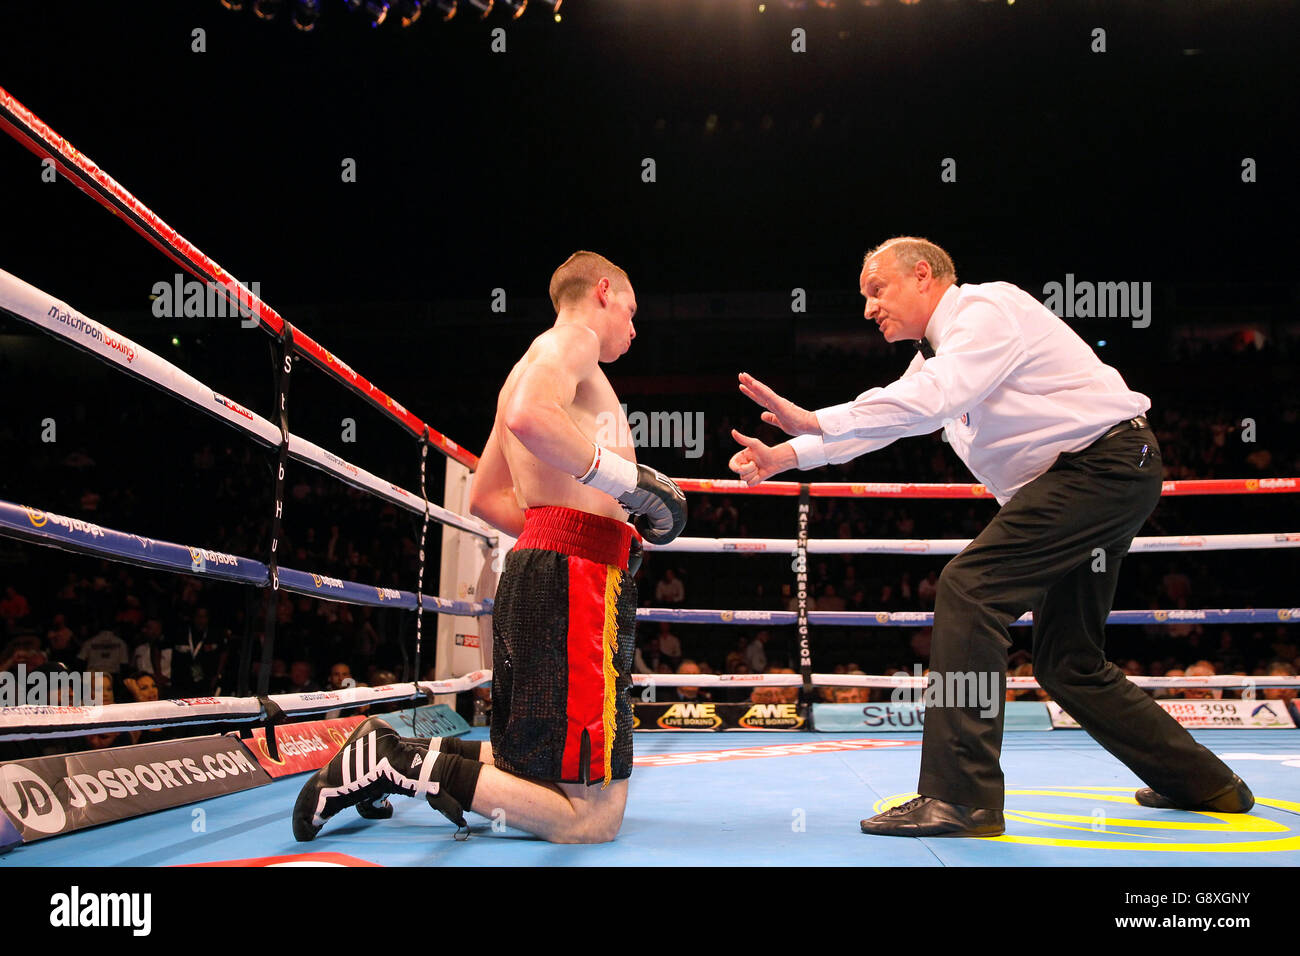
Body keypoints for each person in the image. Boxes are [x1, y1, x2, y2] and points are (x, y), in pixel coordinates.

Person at [727, 236, 1251, 837]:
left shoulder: (985, 312)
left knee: (970, 588)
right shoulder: (941, 356)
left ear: (922, 275)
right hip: (1095, 477)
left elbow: (928, 401)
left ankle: (961, 798)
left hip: (1098, 468)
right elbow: (893, 421)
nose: (869, 309)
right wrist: (787, 455)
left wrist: (818, 417)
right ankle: (1207, 783)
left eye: (878, 290)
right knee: (1068, 663)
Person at [294, 251, 686, 844]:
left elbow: (486, 497)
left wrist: (595, 526)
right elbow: (532, 418)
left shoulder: (527, 368)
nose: (634, 329)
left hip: (553, 567)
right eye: (632, 311)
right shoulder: (571, 342)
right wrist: (627, 485)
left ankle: (393, 750)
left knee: (544, 774)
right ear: (603, 292)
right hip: (571, 583)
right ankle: (395, 764)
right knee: (592, 821)